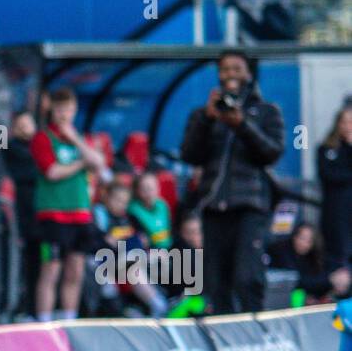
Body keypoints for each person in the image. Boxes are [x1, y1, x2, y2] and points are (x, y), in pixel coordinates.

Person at [179, 50, 284, 314]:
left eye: (236, 68)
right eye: (225, 69)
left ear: (248, 72)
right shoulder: (203, 114)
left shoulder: (267, 112)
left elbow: (271, 153)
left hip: (250, 205)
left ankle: (254, 331)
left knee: (247, 276)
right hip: (213, 206)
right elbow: (190, 154)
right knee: (216, 280)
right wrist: (206, 119)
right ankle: (225, 334)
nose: (230, 75)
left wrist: (242, 125)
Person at [30, 87, 108, 321]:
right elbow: (52, 172)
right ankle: (44, 320)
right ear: (52, 110)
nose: (64, 115)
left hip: (80, 215)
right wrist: (80, 164)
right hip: (53, 216)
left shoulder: (79, 140)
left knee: (75, 270)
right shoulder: (43, 138)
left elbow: (99, 165)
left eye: (69, 110)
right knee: (51, 269)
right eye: (60, 109)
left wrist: (76, 140)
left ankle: (69, 318)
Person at [93, 182, 168, 317]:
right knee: (133, 266)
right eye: (117, 200)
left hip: (129, 257)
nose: (121, 205)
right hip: (106, 261)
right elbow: (100, 243)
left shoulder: (128, 218)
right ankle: (158, 306)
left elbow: (143, 240)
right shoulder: (100, 214)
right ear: (106, 197)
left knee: (161, 256)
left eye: (124, 202)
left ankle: (163, 301)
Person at [5, 110, 40, 318]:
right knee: (18, 260)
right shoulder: (9, 147)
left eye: (28, 125)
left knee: (36, 261)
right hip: (19, 212)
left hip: (39, 215)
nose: (24, 129)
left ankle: (33, 306)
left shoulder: (41, 147)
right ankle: (18, 303)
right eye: (19, 125)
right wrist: (2, 129)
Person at [267, 223, 352, 305]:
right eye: (301, 238)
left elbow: (330, 265)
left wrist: (340, 275)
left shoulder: (313, 254)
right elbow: (297, 280)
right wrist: (329, 280)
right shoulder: (282, 252)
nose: (304, 243)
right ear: (294, 236)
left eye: (309, 241)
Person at [317, 106, 352, 273]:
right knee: (337, 258)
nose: (347, 126)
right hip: (335, 214)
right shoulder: (326, 149)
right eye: (344, 122)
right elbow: (328, 176)